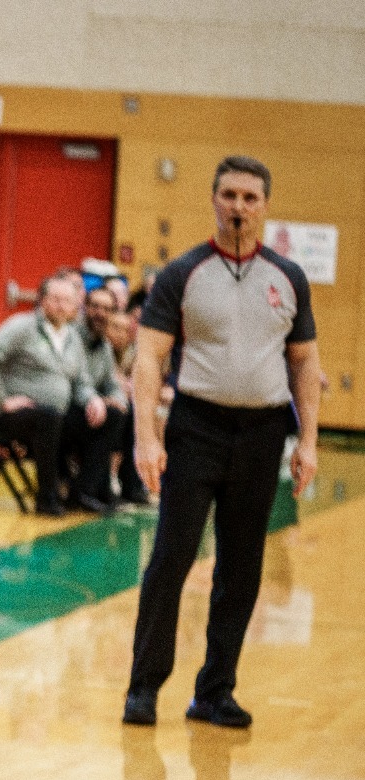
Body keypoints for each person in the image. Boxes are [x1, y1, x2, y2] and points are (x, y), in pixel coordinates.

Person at [123, 156, 320, 731]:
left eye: (250, 197)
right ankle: (143, 688)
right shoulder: (184, 273)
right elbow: (150, 359)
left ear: (265, 206)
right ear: (213, 199)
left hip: (262, 434)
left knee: (243, 565)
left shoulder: (289, 278)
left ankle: (215, 691)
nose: (239, 206)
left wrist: (307, 441)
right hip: (196, 427)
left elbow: (305, 364)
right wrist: (144, 438)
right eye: (229, 194)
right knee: (172, 558)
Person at [0, 272, 115, 515]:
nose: (60, 305)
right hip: (12, 416)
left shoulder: (72, 337)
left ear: (75, 305)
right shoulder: (22, 326)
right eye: (55, 298)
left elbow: (81, 382)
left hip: (57, 415)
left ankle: (82, 492)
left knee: (111, 417)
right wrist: (3, 400)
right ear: (42, 300)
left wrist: (93, 399)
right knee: (48, 418)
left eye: (67, 300)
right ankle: (46, 497)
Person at [78, 282, 143, 508]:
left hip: (94, 403)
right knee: (113, 416)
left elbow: (111, 383)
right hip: (76, 403)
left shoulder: (103, 345)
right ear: (84, 307)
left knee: (127, 411)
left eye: (106, 308)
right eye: (95, 306)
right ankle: (89, 490)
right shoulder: (74, 337)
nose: (100, 313)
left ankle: (129, 486)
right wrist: (98, 399)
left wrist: (118, 399)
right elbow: (77, 379)